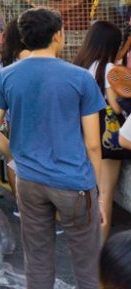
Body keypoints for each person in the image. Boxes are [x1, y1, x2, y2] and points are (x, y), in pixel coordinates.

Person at [0, 8, 105, 289]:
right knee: (87, 265)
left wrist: (17, 155)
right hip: (75, 183)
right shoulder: (80, 77)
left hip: (29, 182)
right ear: (58, 35)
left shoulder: (8, 76)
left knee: (37, 262)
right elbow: (93, 144)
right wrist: (97, 194)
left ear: (24, 38)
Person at [71, 20, 128, 240]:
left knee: (87, 191)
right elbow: (114, 105)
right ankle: (99, 249)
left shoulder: (79, 65)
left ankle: (84, 240)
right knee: (104, 194)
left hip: (82, 131)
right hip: (106, 136)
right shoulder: (109, 69)